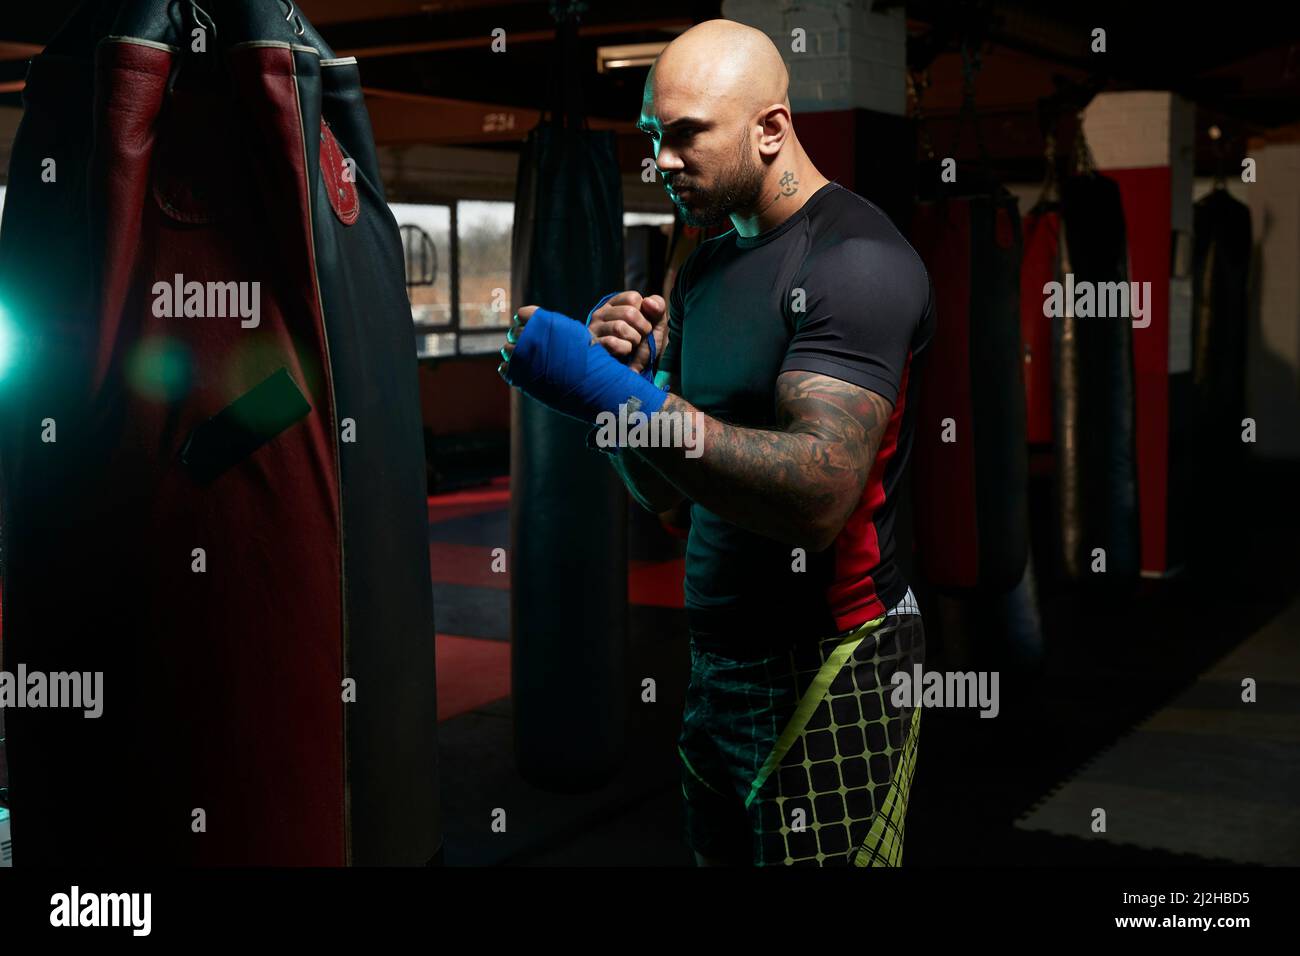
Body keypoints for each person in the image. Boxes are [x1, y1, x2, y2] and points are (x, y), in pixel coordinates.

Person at [499, 18, 935, 867]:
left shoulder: (856, 259)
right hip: (719, 656)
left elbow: (816, 495)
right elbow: (665, 495)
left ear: (771, 128)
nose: (661, 160)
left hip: (837, 659)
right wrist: (628, 386)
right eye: (655, 137)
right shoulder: (703, 267)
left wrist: (607, 390)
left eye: (687, 135)